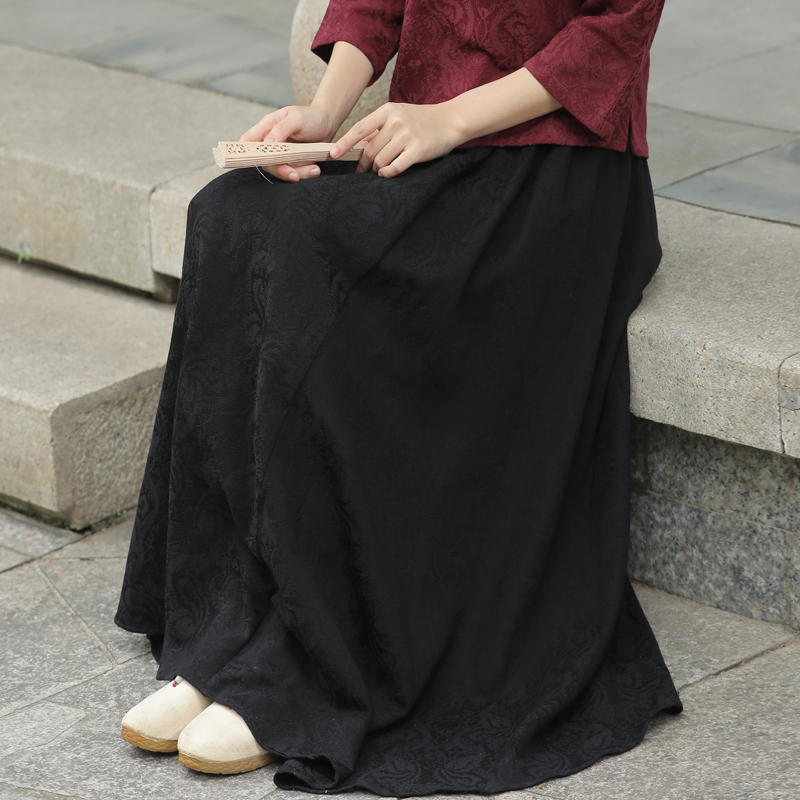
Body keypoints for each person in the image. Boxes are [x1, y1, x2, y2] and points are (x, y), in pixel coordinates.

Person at [115, 0, 683, 793]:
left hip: (558, 163)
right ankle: (233, 631)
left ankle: (307, 661)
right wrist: (324, 112)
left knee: (316, 257)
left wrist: (450, 119)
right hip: (425, 140)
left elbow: (611, 31)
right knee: (229, 210)